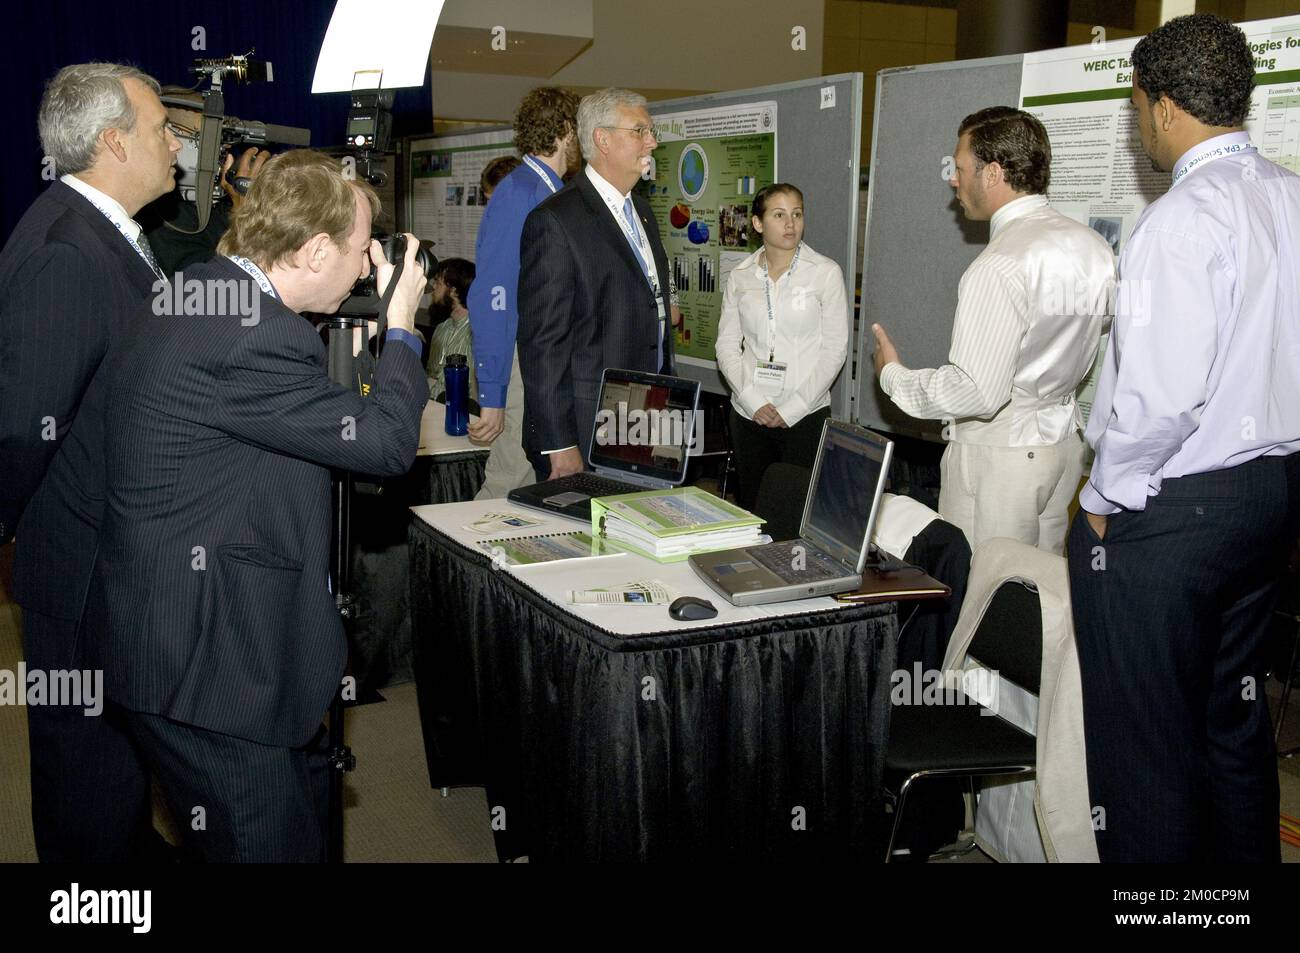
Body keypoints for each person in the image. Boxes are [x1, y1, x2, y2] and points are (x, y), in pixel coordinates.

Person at [84, 150, 429, 862]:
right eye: (365, 252)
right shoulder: (253, 334)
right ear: (313, 251)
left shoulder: (203, 289)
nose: (370, 270)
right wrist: (402, 327)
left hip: (172, 628)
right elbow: (387, 442)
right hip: (209, 668)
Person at [1068, 14, 1300, 863]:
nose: (1139, 126)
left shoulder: (1179, 220)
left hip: (1172, 510)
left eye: (1137, 107)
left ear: (1164, 107)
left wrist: (1099, 500)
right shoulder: (1290, 195)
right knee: (1232, 730)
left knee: (1146, 757)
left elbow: (1160, 400)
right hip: (1269, 502)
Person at [0, 62, 181, 862]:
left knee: (114, 773)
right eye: (161, 129)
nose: (177, 143)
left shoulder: (101, 230)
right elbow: (22, 427)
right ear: (114, 141)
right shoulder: (68, 250)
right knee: (87, 782)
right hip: (79, 570)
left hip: (112, 562)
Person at [872, 106, 1114, 554]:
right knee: (1040, 590)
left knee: (984, 594)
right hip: (1060, 450)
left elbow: (977, 392)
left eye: (960, 168)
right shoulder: (1093, 245)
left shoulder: (999, 264)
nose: (952, 179)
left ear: (994, 173)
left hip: (1000, 457)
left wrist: (893, 376)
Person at [516, 88, 674, 481]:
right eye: (640, 130)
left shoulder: (641, 210)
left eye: (651, 131)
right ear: (602, 139)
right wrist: (559, 443)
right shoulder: (555, 221)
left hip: (649, 414)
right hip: (588, 426)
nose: (652, 141)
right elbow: (542, 342)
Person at [466, 87, 580, 498]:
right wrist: (493, 395)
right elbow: (492, 297)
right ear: (567, 130)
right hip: (517, 361)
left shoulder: (546, 189)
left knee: (534, 478)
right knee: (508, 480)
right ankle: (475, 561)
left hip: (539, 358)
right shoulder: (521, 193)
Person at [714, 183, 849, 511]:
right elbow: (727, 345)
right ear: (758, 224)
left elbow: (835, 349)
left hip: (804, 415)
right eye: (779, 215)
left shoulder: (824, 273)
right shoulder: (741, 276)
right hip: (749, 415)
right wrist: (752, 400)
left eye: (797, 214)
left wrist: (793, 409)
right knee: (753, 510)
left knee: (796, 514)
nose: (791, 224)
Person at [137, 86, 269, 277]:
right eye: (209, 140)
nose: (224, 148)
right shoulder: (163, 220)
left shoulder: (219, 199)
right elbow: (212, 291)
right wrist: (245, 215)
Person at [426, 257, 477, 407]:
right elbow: (432, 375)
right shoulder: (442, 328)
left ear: (453, 291)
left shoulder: (475, 333)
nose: (433, 289)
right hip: (433, 408)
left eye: (438, 283)